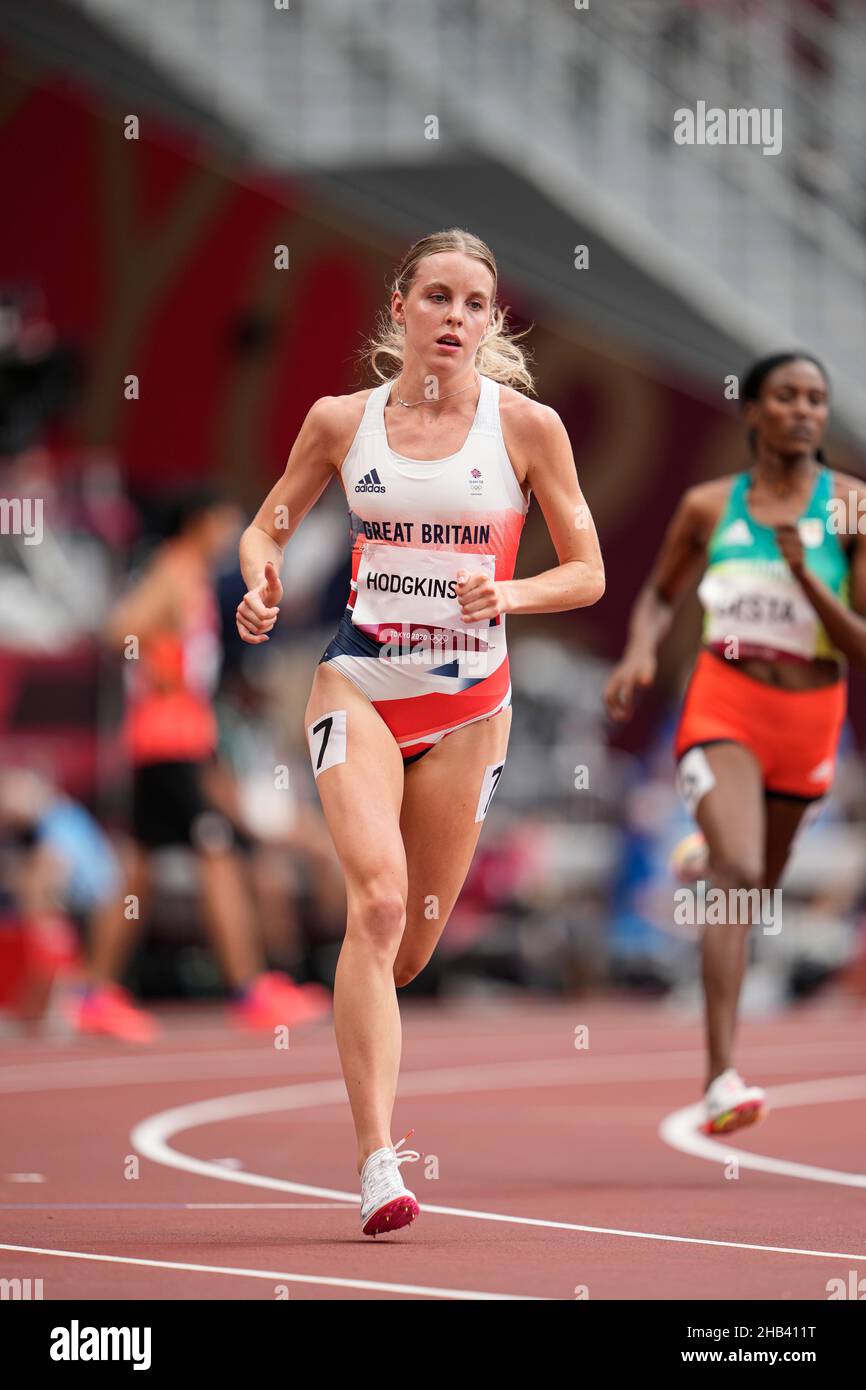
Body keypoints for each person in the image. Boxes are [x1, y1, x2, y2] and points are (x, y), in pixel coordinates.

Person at [236, 227, 605, 1235]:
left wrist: (512, 591)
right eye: (435, 296)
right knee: (379, 903)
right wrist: (259, 578)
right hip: (354, 683)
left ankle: (367, 1000)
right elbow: (266, 524)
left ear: (490, 322)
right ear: (398, 307)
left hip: (469, 713)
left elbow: (588, 570)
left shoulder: (526, 428)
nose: (453, 316)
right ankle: (376, 1164)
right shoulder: (338, 420)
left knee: (406, 956)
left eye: (473, 303)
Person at [605, 352, 866, 1135]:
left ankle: (705, 854)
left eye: (816, 400)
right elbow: (658, 592)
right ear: (752, 411)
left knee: (755, 893)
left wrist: (808, 577)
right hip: (726, 701)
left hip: (811, 716)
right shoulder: (708, 506)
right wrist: (640, 650)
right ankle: (720, 1077)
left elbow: (860, 642)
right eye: (785, 397)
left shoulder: (852, 508)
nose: (803, 412)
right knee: (741, 871)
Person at [101, 486, 330, 1037]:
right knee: (218, 853)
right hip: (169, 742)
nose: (232, 531)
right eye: (225, 518)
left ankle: (93, 988)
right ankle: (249, 989)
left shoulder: (189, 576)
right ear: (198, 521)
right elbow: (121, 629)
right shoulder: (175, 570)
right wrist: (162, 678)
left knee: (140, 868)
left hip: (173, 743)